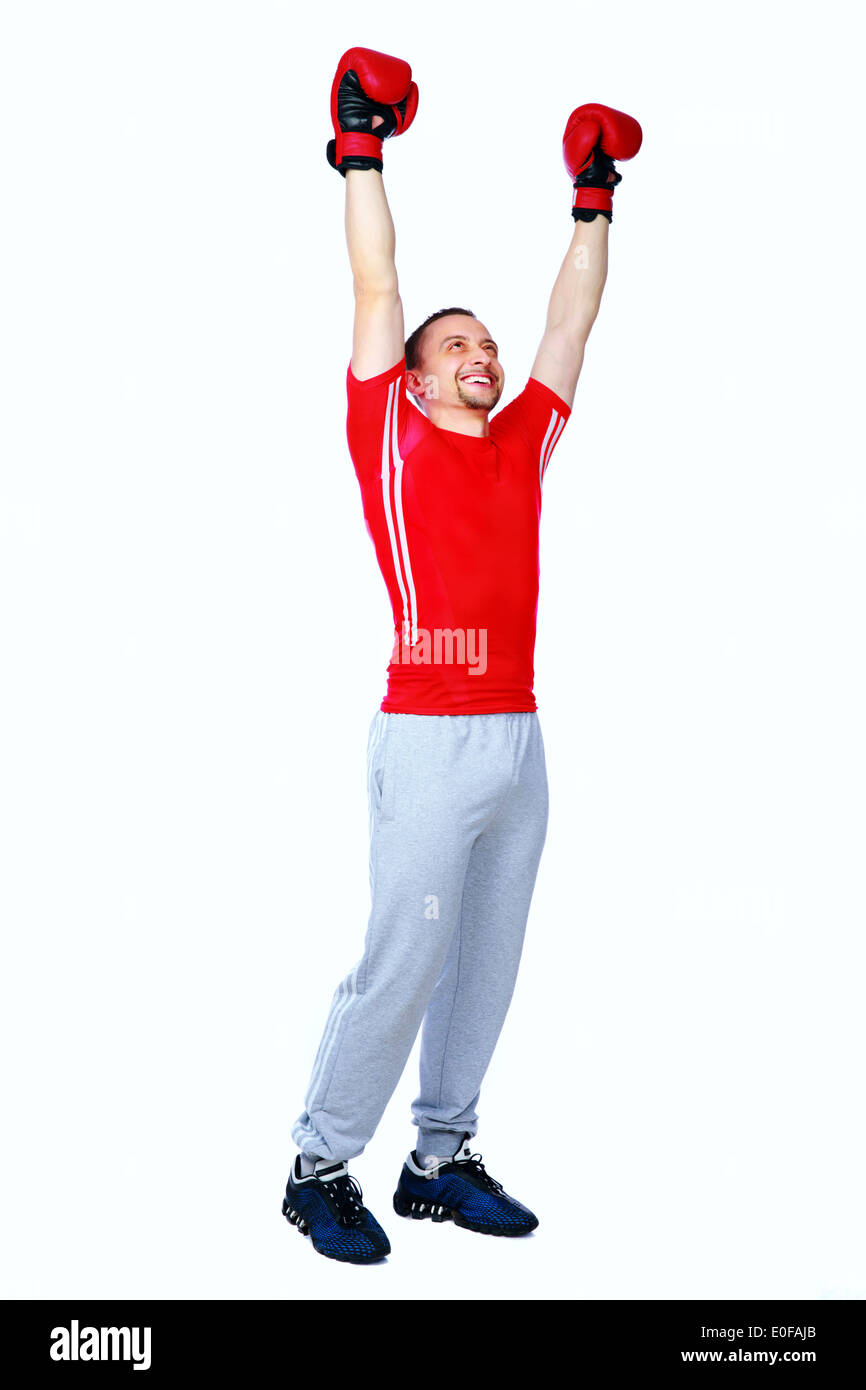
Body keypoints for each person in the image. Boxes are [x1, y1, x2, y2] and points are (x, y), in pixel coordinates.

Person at [282, 47, 642, 1264]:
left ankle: (438, 1159)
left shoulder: (520, 444)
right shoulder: (386, 424)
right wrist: (362, 147)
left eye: (485, 347)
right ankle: (320, 1162)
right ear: (418, 371)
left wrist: (588, 198)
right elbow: (376, 281)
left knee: (484, 959)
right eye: (459, 346)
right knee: (406, 953)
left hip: (517, 734)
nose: (483, 357)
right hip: (428, 735)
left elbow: (570, 322)